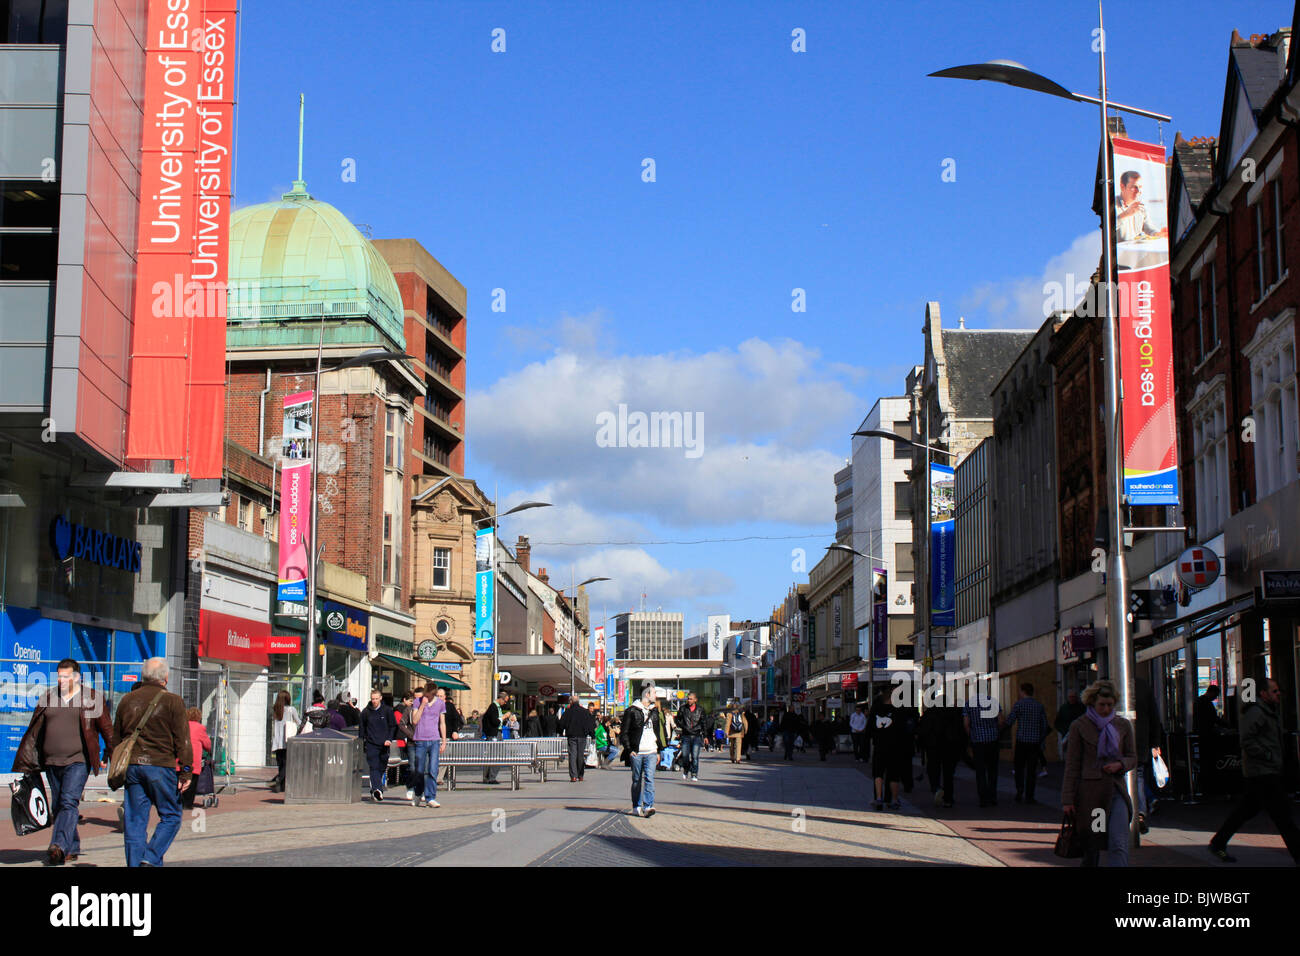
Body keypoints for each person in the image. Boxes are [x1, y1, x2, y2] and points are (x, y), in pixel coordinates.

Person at [13, 658, 115, 866]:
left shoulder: (92, 698)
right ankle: (73, 846)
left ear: (77, 677)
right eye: (59, 676)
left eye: (66, 676)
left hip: (78, 760)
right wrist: (30, 759)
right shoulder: (48, 697)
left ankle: (58, 846)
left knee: (69, 802)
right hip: (51, 761)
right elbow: (35, 730)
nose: (61, 680)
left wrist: (110, 754)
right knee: (60, 805)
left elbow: (107, 730)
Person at [1209, 677, 1300, 864]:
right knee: (1283, 817)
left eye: (1278, 691)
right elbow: (1247, 741)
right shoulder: (1256, 712)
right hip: (1262, 773)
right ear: (1263, 693)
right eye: (1274, 691)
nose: (1278, 695)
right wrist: (1268, 756)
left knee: (1246, 811)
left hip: (1266, 771)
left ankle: (1218, 842)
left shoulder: (1269, 712)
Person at [112, 657, 191, 867]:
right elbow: (182, 740)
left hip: (133, 766)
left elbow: (116, 737)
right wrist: (186, 771)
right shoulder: (173, 701)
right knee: (172, 815)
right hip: (160, 765)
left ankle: (135, 863)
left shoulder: (127, 700)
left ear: (143, 676)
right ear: (166, 677)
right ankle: (150, 857)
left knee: (135, 821)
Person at [1062, 680, 1138, 867]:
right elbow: (1072, 765)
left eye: (1109, 705)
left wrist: (1120, 764)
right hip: (1093, 797)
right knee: (1093, 845)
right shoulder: (1079, 726)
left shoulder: (1122, 725)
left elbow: (1132, 757)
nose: (1105, 709)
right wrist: (1068, 799)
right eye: (1101, 705)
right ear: (1092, 704)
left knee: (1118, 842)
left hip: (1116, 791)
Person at [620, 686, 666, 816]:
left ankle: (648, 806)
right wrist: (629, 749)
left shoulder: (654, 711)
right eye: (654, 693)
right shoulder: (632, 711)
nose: (656, 695)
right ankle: (636, 805)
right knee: (636, 780)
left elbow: (658, 731)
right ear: (647, 694)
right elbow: (624, 732)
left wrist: (658, 750)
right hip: (637, 752)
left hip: (651, 750)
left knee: (649, 778)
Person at [917, 692, 966, 808]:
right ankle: (948, 798)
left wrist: (922, 746)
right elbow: (960, 730)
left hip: (933, 747)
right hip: (950, 747)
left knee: (933, 770)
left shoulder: (929, 713)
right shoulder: (954, 713)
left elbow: (922, 731)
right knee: (948, 773)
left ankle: (936, 788)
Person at [1005, 682, 1049, 805]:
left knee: (1019, 767)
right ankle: (1030, 795)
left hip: (1022, 740)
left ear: (1023, 691)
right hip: (1034, 742)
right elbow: (1044, 725)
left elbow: (1010, 721)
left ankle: (1019, 790)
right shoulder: (1039, 706)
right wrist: (1041, 739)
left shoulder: (1019, 705)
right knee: (1031, 769)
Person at [406, 682, 446, 808]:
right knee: (419, 770)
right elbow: (414, 721)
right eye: (426, 694)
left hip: (434, 739)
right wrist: (423, 705)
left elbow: (442, 723)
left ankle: (430, 797)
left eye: (429, 695)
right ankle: (418, 793)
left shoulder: (440, 703)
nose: (427, 697)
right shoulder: (418, 701)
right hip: (420, 740)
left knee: (433, 769)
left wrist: (443, 741)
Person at [964, 691, 1004, 808]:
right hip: (992, 740)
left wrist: (971, 735)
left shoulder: (969, 704)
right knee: (993, 770)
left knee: (980, 771)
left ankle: (983, 798)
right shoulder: (993, 702)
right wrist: (996, 731)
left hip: (978, 741)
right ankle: (992, 797)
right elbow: (1001, 720)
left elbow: (966, 724)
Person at [868, 694, 906, 810]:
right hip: (894, 747)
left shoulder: (875, 711)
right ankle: (894, 800)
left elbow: (869, 730)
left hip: (879, 746)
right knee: (894, 774)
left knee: (878, 773)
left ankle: (879, 798)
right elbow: (902, 729)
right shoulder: (898, 711)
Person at [359, 689, 397, 802]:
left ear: (380, 698)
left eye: (376, 698)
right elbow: (362, 728)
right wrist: (362, 742)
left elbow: (392, 726)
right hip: (371, 743)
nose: (374, 701)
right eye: (372, 699)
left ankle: (375, 789)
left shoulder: (387, 710)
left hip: (384, 743)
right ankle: (377, 789)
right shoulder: (365, 712)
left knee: (381, 766)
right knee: (374, 767)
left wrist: (389, 739)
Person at [1114, 170, 1169, 242]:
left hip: (1137, 251)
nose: (1139, 191)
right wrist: (1126, 214)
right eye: (1134, 187)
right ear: (1122, 187)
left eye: (1140, 187)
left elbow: (1149, 229)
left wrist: (1159, 234)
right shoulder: (1111, 204)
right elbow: (1108, 228)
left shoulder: (1140, 207)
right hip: (1119, 252)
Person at [179, 708, 212, 810]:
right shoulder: (200, 728)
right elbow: (207, 744)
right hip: (193, 760)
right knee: (192, 782)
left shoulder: (181, 726)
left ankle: (177, 802)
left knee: (179, 779)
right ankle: (187, 804)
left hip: (180, 758)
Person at [559, 693, 596, 782]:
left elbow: (561, 724)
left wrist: (560, 732)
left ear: (571, 701)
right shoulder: (585, 712)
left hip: (571, 736)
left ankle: (573, 776)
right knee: (580, 755)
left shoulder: (568, 712)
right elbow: (590, 725)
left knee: (572, 755)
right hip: (582, 736)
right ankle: (580, 775)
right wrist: (592, 735)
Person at [269, 690, 299, 794]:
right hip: (287, 739)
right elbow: (298, 722)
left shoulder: (276, 710)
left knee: (281, 764)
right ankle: (278, 780)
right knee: (287, 764)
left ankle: (281, 785)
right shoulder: (291, 710)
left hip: (277, 741)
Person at [675, 692, 706, 781]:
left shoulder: (700, 709)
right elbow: (677, 720)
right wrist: (683, 726)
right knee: (685, 756)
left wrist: (705, 735)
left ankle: (694, 773)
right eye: (688, 698)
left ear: (695, 700)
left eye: (691, 699)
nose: (689, 700)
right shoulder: (683, 709)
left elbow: (703, 722)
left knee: (695, 756)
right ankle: (686, 769)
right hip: (686, 735)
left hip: (696, 736)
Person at [481, 692, 508, 784]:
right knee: (496, 755)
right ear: (501, 698)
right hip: (494, 734)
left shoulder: (496, 707)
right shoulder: (493, 707)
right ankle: (491, 777)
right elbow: (494, 721)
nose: (505, 703)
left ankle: (488, 776)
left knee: (492, 755)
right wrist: (504, 717)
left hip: (496, 733)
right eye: (505, 701)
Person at [1054, 689, 1085, 763]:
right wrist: (1063, 731)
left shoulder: (1081, 707)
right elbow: (1057, 722)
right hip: (1067, 734)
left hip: (1080, 734)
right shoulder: (1064, 708)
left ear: (1077, 697)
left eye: (1073, 697)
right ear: (1068, 697)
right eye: (1070, 697)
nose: (1072, 698)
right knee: (1069, 755)